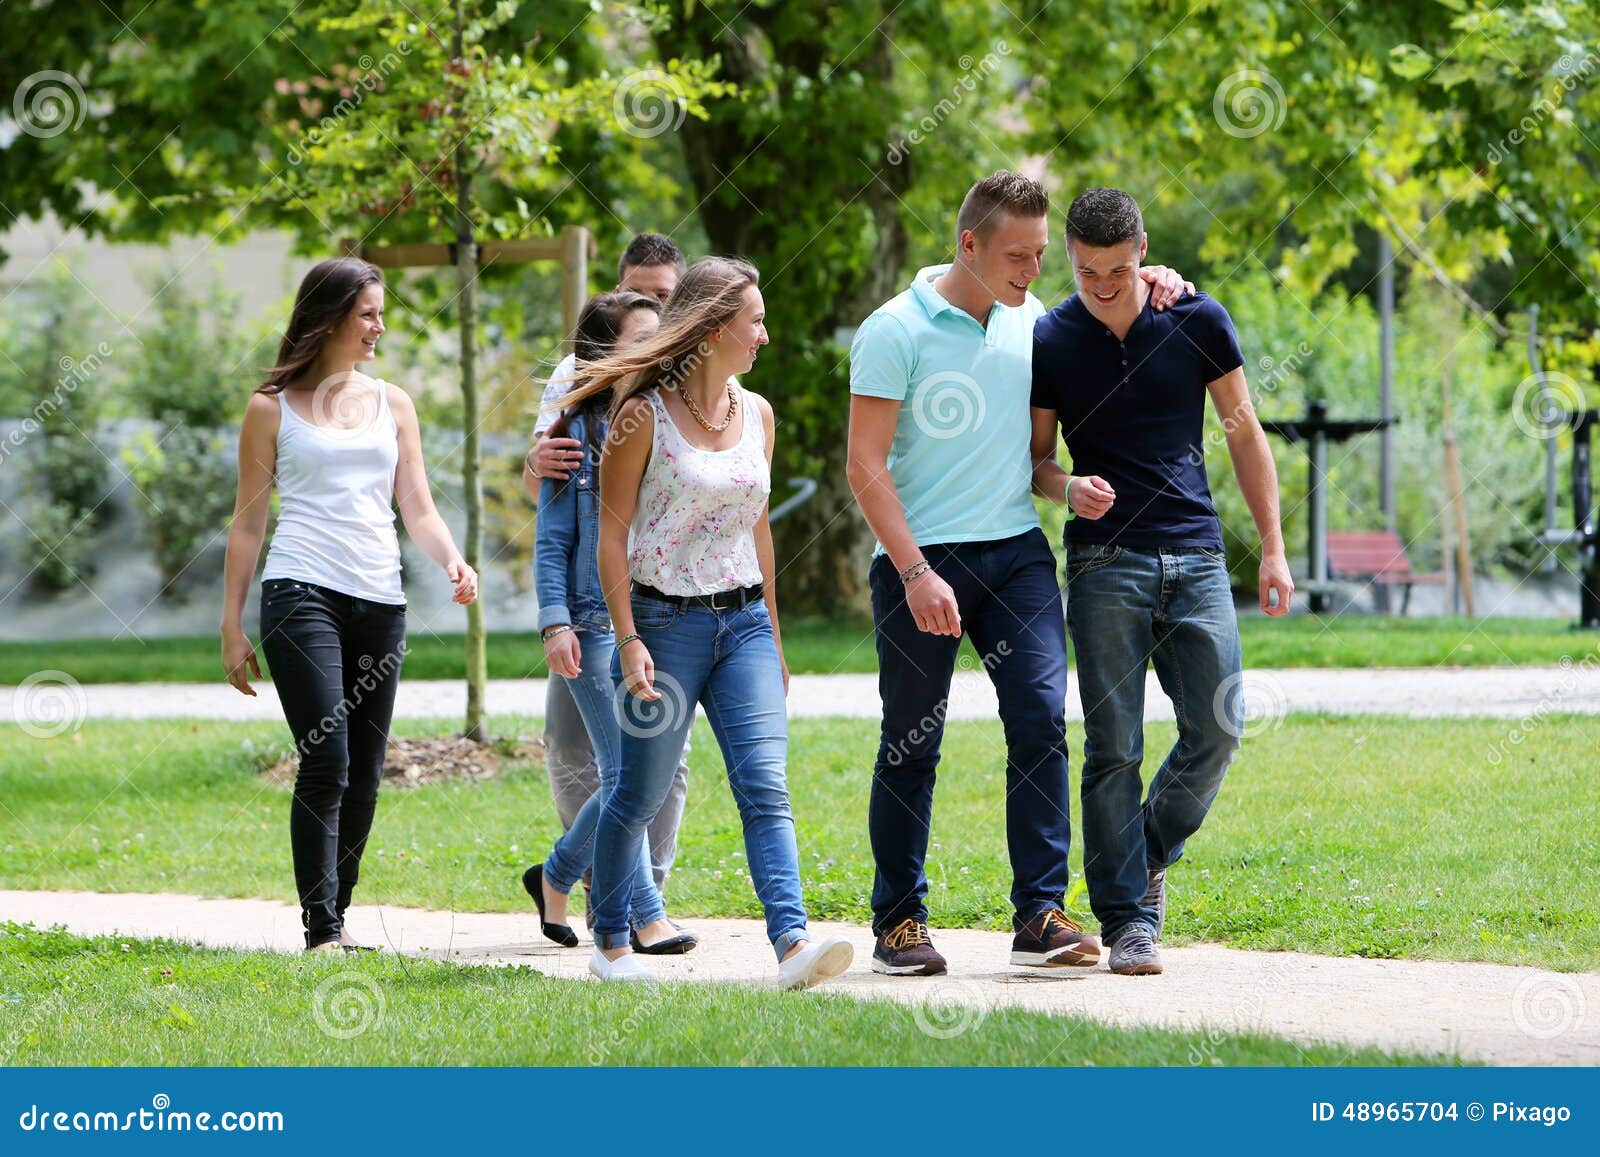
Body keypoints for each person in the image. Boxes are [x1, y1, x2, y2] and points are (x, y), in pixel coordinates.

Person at [847, 171, 1192, 977]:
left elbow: (1105, 325)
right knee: (910, 740)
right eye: (1020, 254)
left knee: (1041, 719)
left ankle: (1039, 910)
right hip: (920, 563)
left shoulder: (1029, 319)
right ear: (968, 245)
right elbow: (864, 466)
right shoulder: (893, 330)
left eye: (1042, 255)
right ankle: (899, 919)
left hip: (1015, 554)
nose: (1036, 269)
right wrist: (915, 570)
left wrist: (1158, 278)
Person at [1030, 186, 1293, 976]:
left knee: (1218, 725)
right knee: (1114, 745)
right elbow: (1035, 460)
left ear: (1143, 250)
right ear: (1070, 259)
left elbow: (1246, 440)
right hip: (1105, 561)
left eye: (1116, 269)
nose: (1103, 286)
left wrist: (1273, 549)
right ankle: (1128, 921)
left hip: (1197, 553)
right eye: (1086, 272)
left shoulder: (1198, 318)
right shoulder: (1053, 336)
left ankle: (1137, 853)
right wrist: (1065, 487)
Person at [577, 256, 852, 987]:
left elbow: (757, 528)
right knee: (637, 792)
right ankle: (609, 940)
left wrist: (776, 631)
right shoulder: (642, 416)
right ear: (713, 327)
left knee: (765, 784)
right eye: (755, 321)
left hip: (745, 625)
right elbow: (612, 535)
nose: (765, 335)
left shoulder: (756, 413)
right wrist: (628, 636)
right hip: (664, 625)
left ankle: (792, 943)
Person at [220, 257, 478, 953]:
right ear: (331, 317)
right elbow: (248, 523)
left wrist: (451, 557)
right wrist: (231, 622)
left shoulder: (393, 403)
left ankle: (339, 912)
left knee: (365, 769)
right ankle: (322, 930)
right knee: (327, 756)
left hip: (380, 600)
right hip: (300, 593)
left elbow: (416, 506)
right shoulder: (270, 406)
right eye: (367, 313)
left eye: (380, 313)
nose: (379, 326)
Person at [521, 290, 695, 955]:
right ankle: (641, 915)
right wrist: (554, 622)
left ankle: (559, 875)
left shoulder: (669, 420)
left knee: (638, 768)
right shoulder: (573, 432)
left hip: (654, 620)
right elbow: (550, 538)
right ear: (603, 353)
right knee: (628, 769)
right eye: (642, 336)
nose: (659, 346)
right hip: (591, 626)